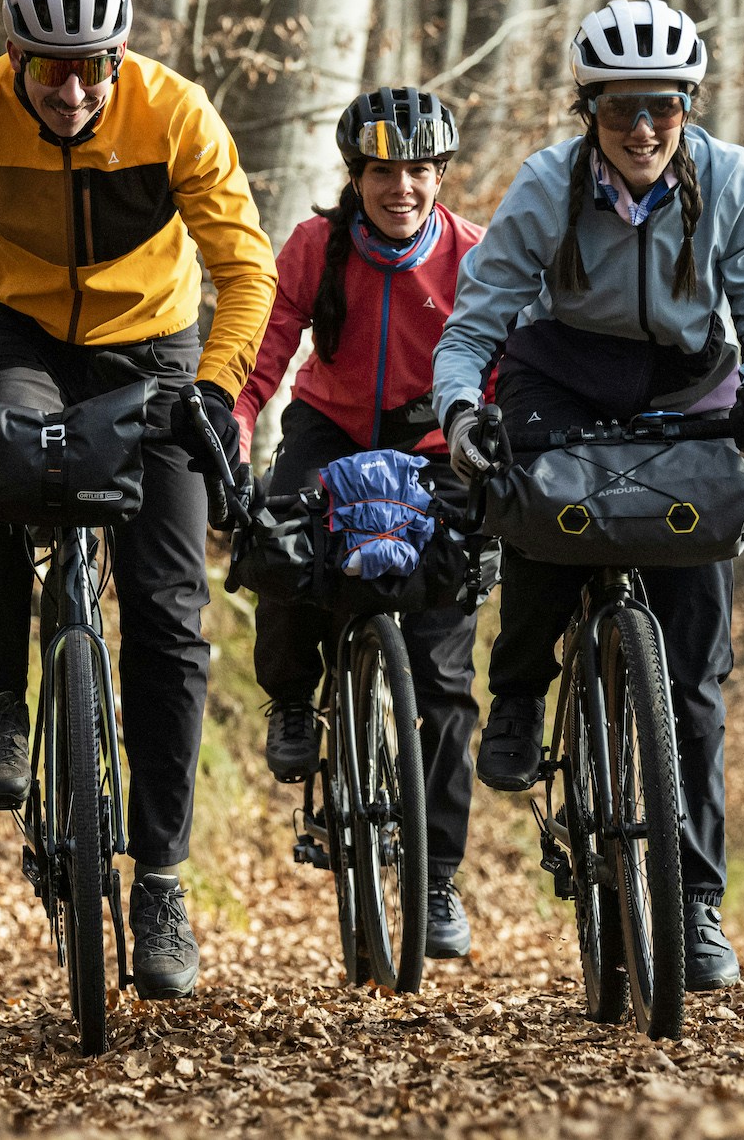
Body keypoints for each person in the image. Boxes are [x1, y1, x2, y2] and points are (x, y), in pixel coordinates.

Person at [0, 0, 274, 999]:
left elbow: (245, 268)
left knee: (165, 611)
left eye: (91, 68)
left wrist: (214, 388)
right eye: (49, 69)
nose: (71, 91)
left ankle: (157, 878)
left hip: (152, 344)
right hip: (17, 333)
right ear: (13, 56)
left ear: (120, 57)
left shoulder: (173, 112)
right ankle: (0, 705)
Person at [430, 0, 744, 993]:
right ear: (585, 109)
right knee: (541, 523)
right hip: (561, 373)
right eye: (621, 109)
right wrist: (464, 415)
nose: (642, 129)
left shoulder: (729, 181)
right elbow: (474, 325)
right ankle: (516, 696)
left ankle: (696, 903)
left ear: (687, 108)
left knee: (692, 680)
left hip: (688, 379)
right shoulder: (548, 185)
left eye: (663, 108)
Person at [232, 87, 486, 960]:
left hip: (430, 441)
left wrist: (489, 442)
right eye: (384, 170)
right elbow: (268, 342)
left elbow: (498, 362)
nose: (402, 187)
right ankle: (293, 698)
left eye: (419, 170)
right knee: (282, 539)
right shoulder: (315, 245)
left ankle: (439, 876)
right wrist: (237, 416)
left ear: (440, 176)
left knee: (447, 676)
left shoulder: (471, 256)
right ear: (357, 175)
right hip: (329, 427)